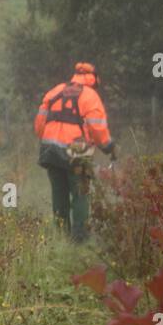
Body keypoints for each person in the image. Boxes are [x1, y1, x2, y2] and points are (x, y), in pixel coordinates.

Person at [34, 61, 115, 241]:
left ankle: (61, 235)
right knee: (80, 193)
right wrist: (108, 145)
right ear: (94, 80)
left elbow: (39, 124)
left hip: (50, 149)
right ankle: (80, 238)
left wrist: (50, 138)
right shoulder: (90, 96)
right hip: (77, 149)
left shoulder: (56, 91)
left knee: (59, 193)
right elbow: (97, 128)